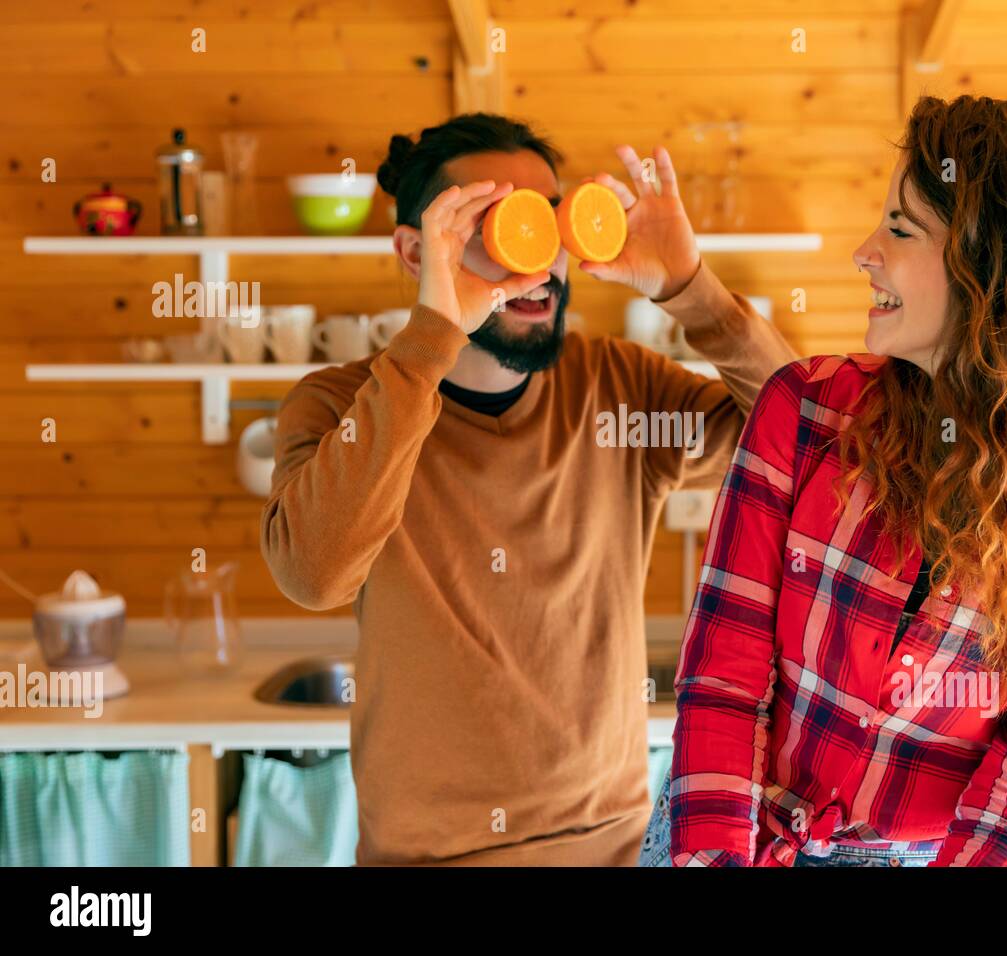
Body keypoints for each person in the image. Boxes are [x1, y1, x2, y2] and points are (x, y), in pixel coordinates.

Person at [641, 95, 1007, 867]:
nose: (864, 251)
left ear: (999, 268)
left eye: (901, 229)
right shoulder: (806, 412)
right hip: (728, 839)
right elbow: (723, 682)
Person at [260, 114, 797, 865]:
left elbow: (807, 446)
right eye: (491, 223)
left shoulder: (620, 389)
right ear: (415, 252)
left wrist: (691, 290)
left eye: (546, 222)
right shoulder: (338, 405)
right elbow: (312, 573)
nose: (534, 256)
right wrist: (431, 336)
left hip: (615, 849)